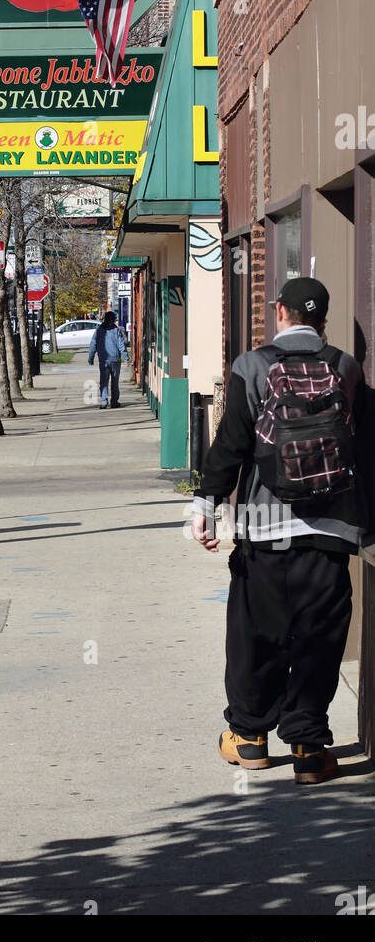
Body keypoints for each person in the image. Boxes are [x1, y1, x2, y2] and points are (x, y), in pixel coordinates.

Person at [191, 277, 367, 785]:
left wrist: (204, 506)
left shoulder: (251, 366)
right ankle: (310, 749)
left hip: (265, 531)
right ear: (324, 320)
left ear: (280, 312)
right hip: (330, 532)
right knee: (319, 638)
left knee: (256, 636)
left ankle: (249, 740)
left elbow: (230, 447)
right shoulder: (347, 368)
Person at [87, 310, 130, 409]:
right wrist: (126, 359)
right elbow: (121, 345)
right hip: (115, 359)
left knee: (104, 381)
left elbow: (93, 344)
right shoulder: (116, 330)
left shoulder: (99, 330)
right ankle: (114, 402)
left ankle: (104, 401)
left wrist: (91, 357)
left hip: (103, 360)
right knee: (115, 382)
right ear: (114, 319)